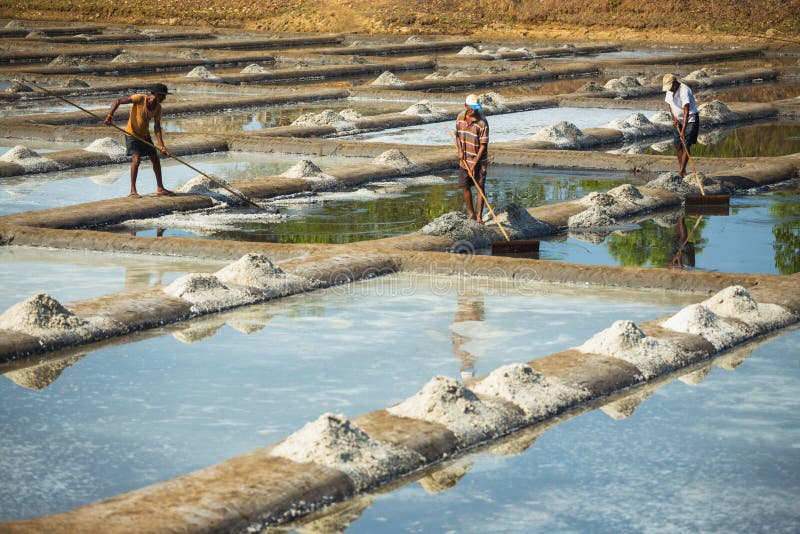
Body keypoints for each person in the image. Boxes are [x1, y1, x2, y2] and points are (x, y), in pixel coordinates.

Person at [105, 83, 174, 197]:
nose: (164, 98)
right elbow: (118, 101)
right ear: (156, 95)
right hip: (132, 134)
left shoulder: (158, 108)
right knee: (136, 161)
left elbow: (157, 127)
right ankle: (133, 191)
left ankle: (160, 188)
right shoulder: (140, 98)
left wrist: (162, 146)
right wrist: (109, 116)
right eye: (163, 95)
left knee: (155, 159)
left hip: (145, 135)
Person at [454, 94, 489, 222]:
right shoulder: (459, 118)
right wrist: (459, 150)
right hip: (464, 160)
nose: (475, 111)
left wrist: (474, 163)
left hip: (479, 161)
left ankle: (479, 216)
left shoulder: (482, 123)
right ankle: (471, 215)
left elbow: (483, 146)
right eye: (472, 108)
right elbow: (457, 136)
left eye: (476, 108)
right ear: (466, 106)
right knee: (465, 186)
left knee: (480, 186)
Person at [663, 73, 700, 177]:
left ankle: (681, 171)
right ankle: (682, 170)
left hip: (690, 119)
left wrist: (683, 130)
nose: (669, 89)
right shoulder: (669, 91)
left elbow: (686, 111)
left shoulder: (685, 90)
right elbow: (670, 104)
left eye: (671, 87)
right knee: (677, 144)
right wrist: (673, 117)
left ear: (675, 83)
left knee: (686, 143)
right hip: (678, 120)